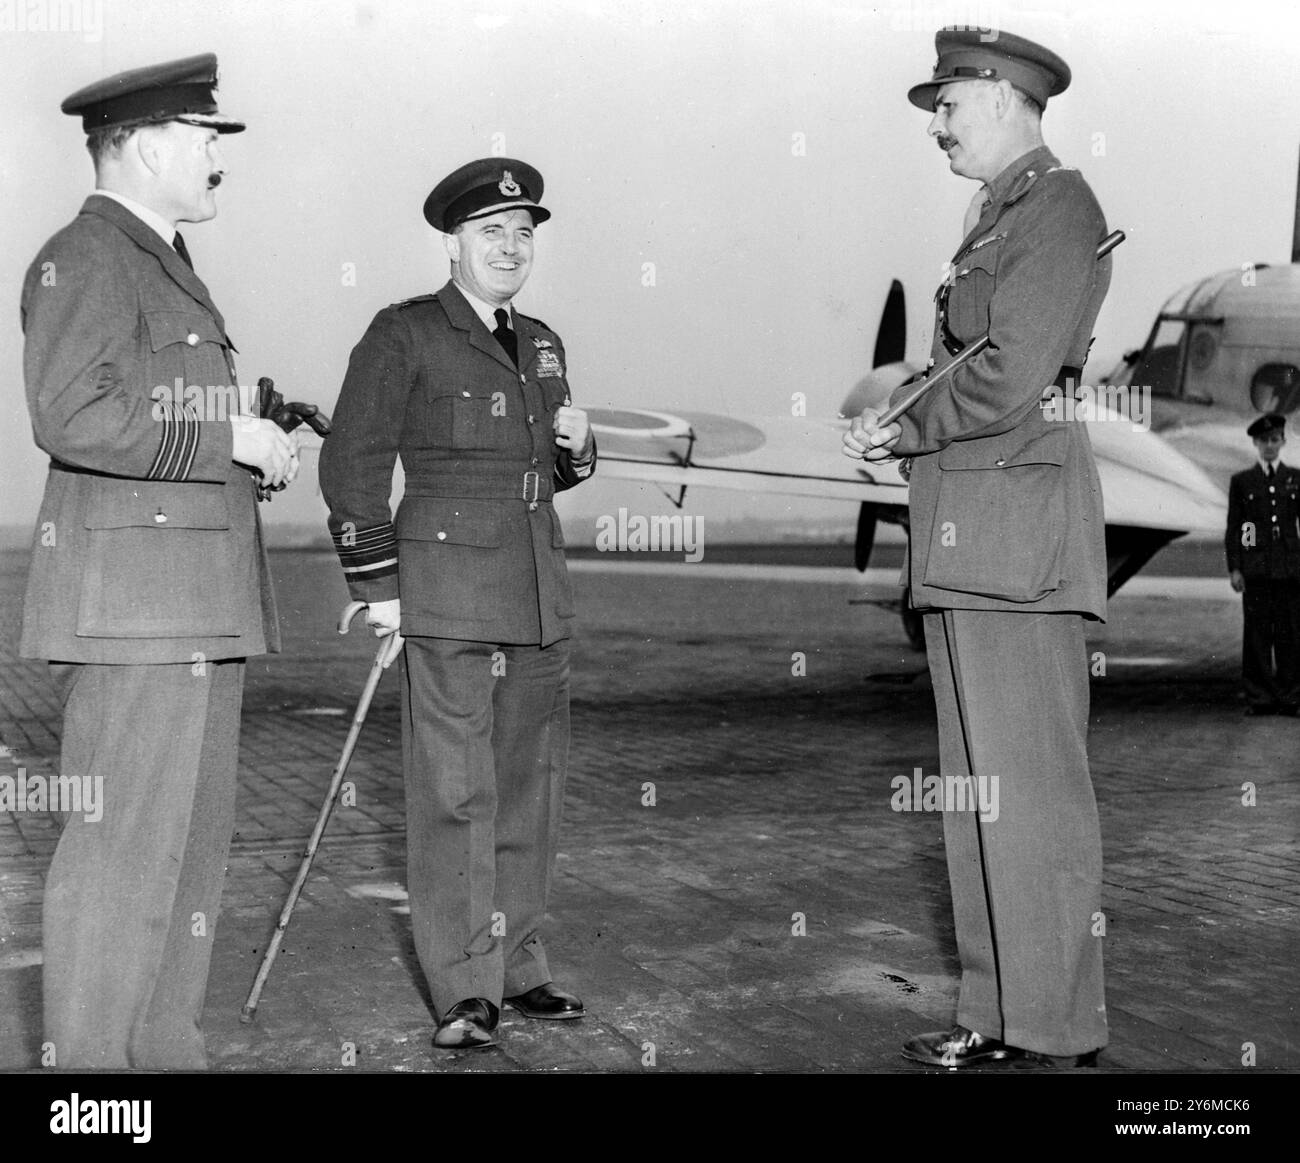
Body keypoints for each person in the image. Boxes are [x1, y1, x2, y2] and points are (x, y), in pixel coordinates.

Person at [20, 53, 299, 1068]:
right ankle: (95, 1088)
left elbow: (152, 416)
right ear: (141, 146)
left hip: (193, 606)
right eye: (202, 136)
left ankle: (161, 1061)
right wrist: (225, 438)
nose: (217, 155)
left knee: (183, 859)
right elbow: (72, 412)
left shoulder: (159, 258)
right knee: (120, 857)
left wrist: (247, 442)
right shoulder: (86, 255)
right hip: (140, 613)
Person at [844, 27, 1112, 1068]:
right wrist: (890, 420)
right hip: (969, 537)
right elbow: (963, 361)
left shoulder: (1057, 209)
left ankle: (1054, 1026)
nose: (936, 123)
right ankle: (999, 1012)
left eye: (946, 103)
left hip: (1018, 543)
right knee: (976, 795)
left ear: (1000, 97)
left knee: (1031, 794)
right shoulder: (995, 216)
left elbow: (1007, 373)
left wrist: (905, 425)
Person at [319, 158, 596, 1050]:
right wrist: (379, 588)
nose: (511, 247)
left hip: (536, 592)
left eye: (524, 233)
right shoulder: (405, 332)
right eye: (492, 233)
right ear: (453, 243)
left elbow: (543, 472)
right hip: (444, 593)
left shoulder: (544, 340)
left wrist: (579, 453)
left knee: (529, 788)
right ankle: (465, 987)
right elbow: (351, 462)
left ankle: (520, 963)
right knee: (455, 796)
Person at [1226, 413, 1300, 715]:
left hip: (1290, 568)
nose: (1269, 446)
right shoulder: (1243, 482)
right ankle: (1259, 697)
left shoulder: (1295, 478)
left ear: (1282, 442)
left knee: (1290, 634)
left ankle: (1291, 696)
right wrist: (1236, 567)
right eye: (1264, 441)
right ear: (1256, 444)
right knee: (1256, 634)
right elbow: (1238, 527)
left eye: (1274, 440)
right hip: (1257, 568)